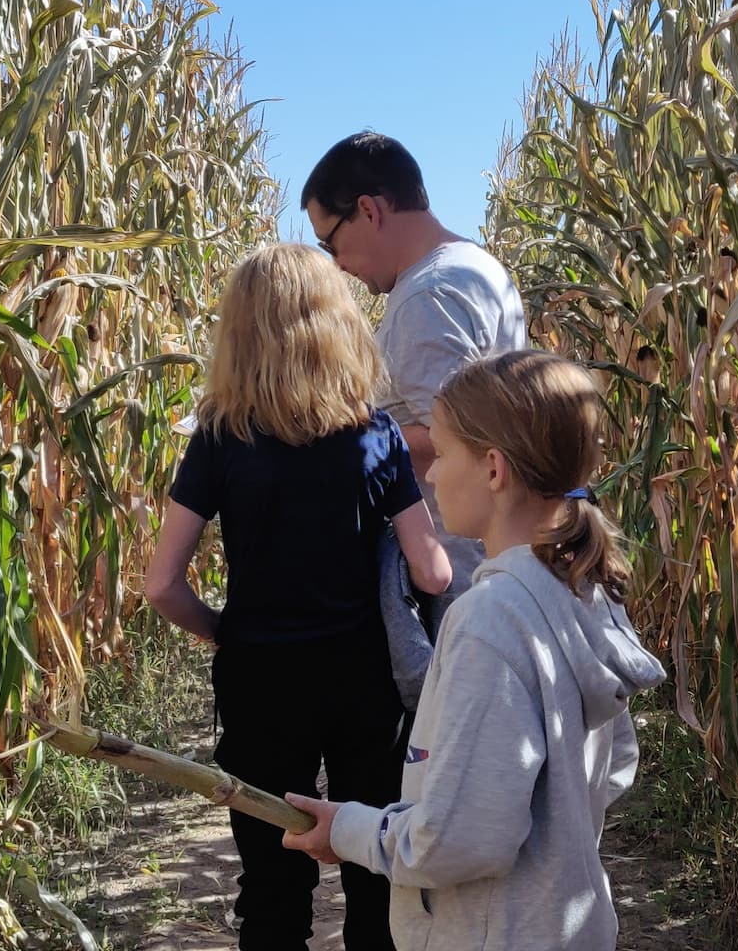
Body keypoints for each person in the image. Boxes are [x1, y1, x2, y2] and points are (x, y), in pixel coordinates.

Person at [279, 350, 667, 951]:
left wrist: (351, 830)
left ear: (493, 469)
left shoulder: (490, 620)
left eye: (440, 453)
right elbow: (614, 764)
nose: (430, 475)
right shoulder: (585, 590)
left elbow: (461, 839)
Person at [142, 244, 452, 951]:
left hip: (260, 680)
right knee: (376, 870)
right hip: (364, 682)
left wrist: (223, 629)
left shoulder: (219, 437)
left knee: (272, 887)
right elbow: (434, 573)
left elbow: (161, 584)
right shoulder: (376, 434)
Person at [301, 132, 527, 625]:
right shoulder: (478, 267)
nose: (337, 264)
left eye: (330, 242)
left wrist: (336, 434)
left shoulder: (427, 298)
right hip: (485, 559)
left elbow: (460, 443)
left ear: (368, 210)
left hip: (453, 570)